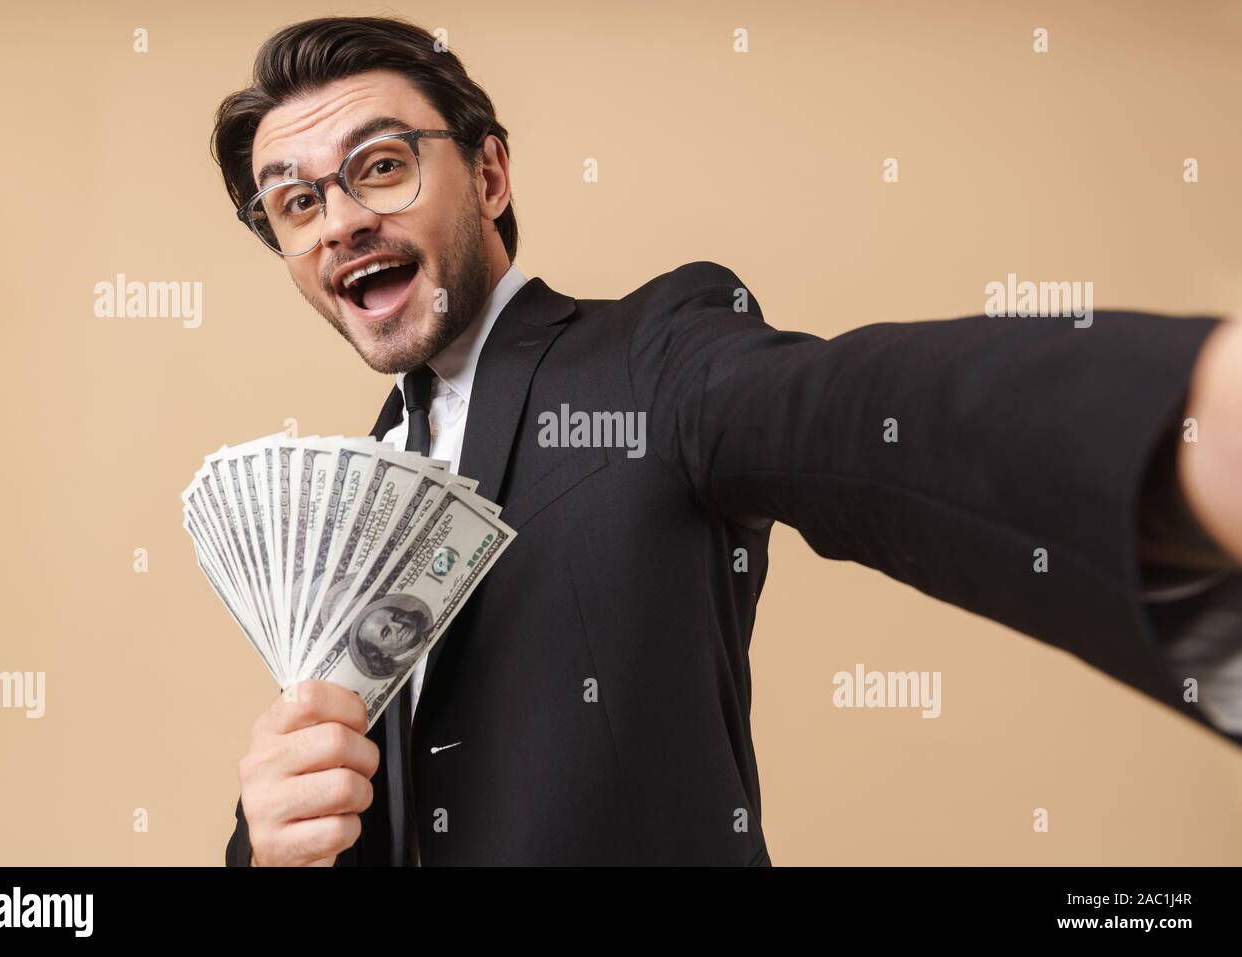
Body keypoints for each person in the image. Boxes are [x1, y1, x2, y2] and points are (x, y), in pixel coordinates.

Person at [212, 16, 1242, 866]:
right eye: (296, 203)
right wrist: (267, 839)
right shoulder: (345, 502)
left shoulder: (652, 353)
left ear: (488, 177)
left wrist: (1173, 421)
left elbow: (832, 414)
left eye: (378, 167)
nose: (337, 221)